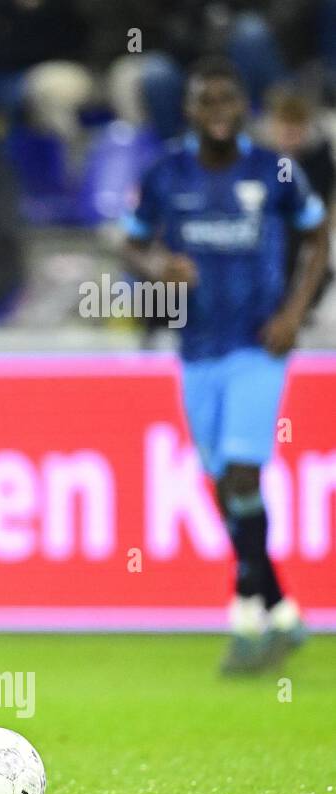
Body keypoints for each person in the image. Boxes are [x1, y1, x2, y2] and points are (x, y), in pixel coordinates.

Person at [122, 58, 328, 674]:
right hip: (197, 350)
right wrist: (157, 267)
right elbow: (130, 239)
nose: (217, 111)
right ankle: (280, 610)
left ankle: (245, 611)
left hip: (258, 345)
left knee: (241, 475)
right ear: (189, 110)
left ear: (243, 107)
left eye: (228, 100)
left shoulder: (274, 170)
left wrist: (295, 311)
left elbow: (317, 234)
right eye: (205, 101)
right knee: (221, 485)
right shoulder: (165, 174)